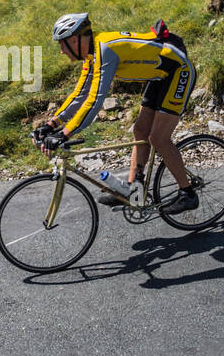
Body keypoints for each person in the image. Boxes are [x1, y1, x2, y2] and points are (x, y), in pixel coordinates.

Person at [33, 13, 198, 215]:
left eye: (62, 44)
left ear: (74, 39)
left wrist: (64, 133)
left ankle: (187, 193)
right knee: (140, 131)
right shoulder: (91, 55)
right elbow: (80, 94)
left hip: (178, 71)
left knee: (158, 138)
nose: (61, 51)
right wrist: (51, 124)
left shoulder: (105, 49)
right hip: (159, 77)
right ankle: (134, 190)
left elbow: (95, 100)